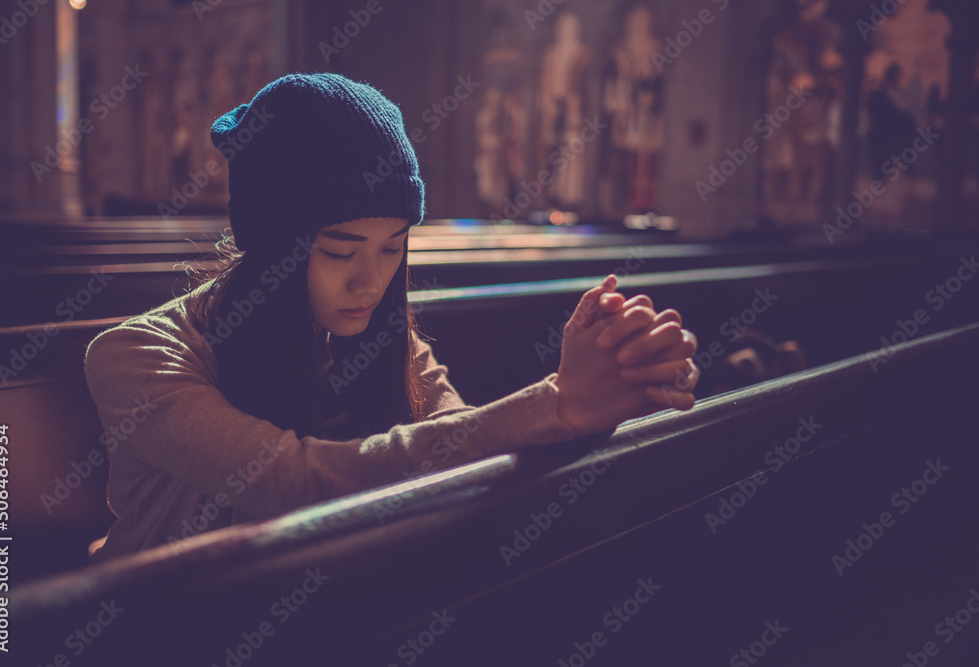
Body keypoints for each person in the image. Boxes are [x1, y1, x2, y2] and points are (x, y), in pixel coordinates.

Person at [83, 73, 700, 562]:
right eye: (340, 251)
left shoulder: (386, 334)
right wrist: (557, 403)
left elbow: (464, 442)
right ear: (275, 246)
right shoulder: (133, 356)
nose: (371, 281)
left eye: (393, 247)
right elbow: (294, 486)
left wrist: (610, 375)